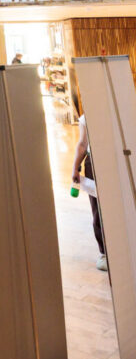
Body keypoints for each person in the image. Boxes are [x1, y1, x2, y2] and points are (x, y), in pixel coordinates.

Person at [72, 104, 107, 271]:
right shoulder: (86, 118)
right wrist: (75, 168)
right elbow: (82, 144)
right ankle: (104, 253)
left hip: (116, 160)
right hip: (93, 163)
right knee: (98, 210)